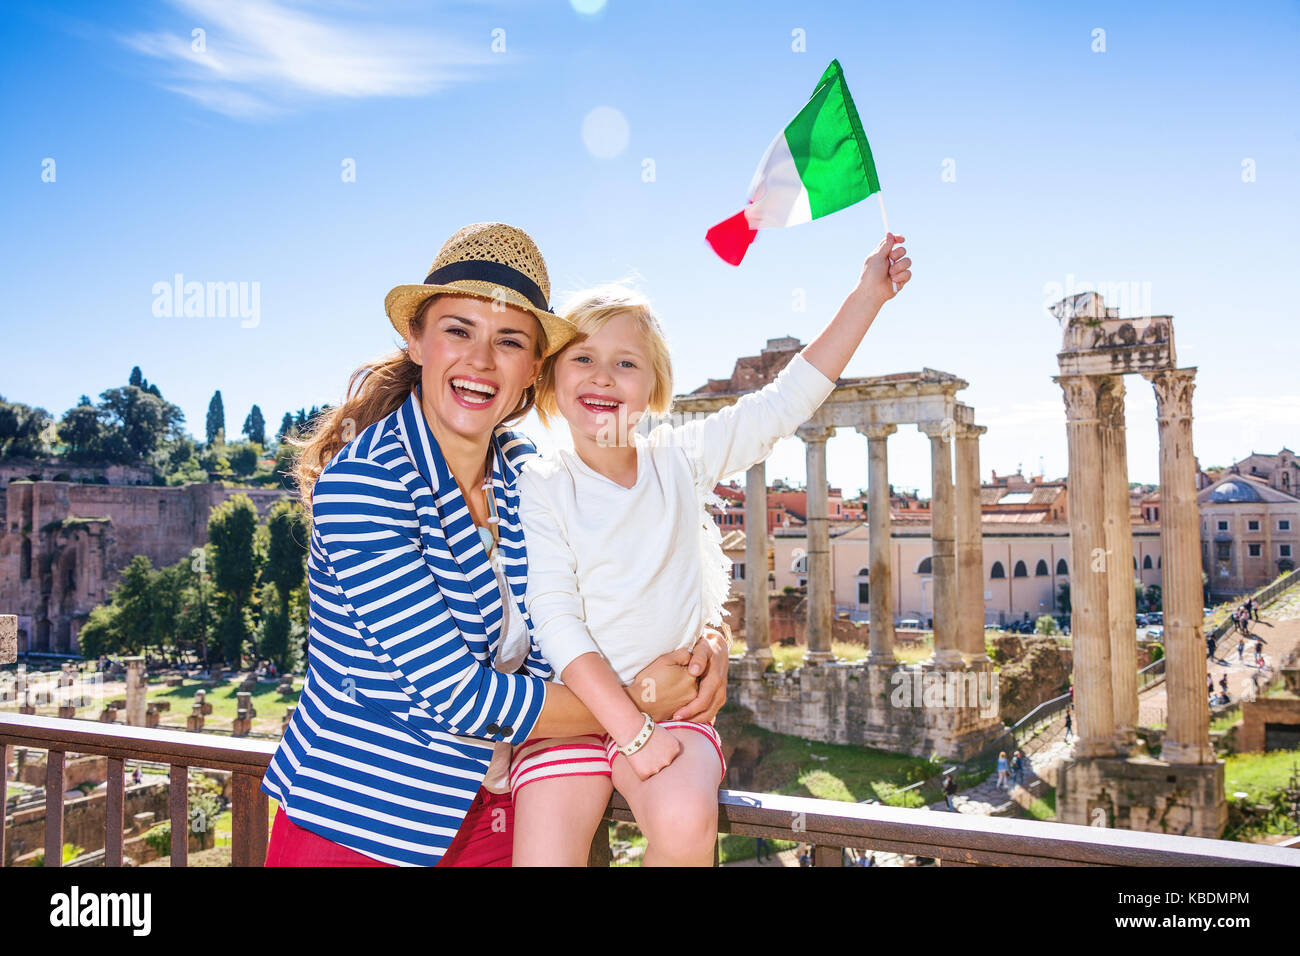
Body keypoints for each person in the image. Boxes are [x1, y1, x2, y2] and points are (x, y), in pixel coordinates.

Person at [259, 223, 729, 867]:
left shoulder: (526, 468)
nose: (480, 361)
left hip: (500, 821)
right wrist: (642, 708)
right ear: (417, 340)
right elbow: (461, 695)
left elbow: (621, 573)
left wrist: (705, 643)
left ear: (534, 369)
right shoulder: (365, 482)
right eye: (459, 330)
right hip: (361, 830)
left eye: (509, 341)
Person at [509, 234, 913, 866]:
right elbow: (555, 621)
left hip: (674, 712)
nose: (602, 377)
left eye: (626, 363)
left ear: (654, 387)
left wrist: (868, 297)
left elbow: (784, 403)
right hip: (574, 713)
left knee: (685, 820)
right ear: (551, 379)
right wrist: (630, 728)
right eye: (582, 357)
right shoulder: (541, 484)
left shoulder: (682, 457)